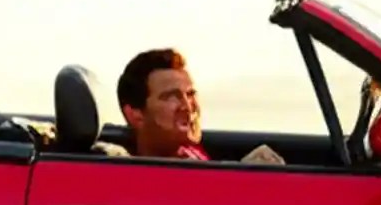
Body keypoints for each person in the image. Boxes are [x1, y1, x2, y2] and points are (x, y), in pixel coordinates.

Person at [116, 48, 284, 164]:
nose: (188, 107)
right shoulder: (136, 180)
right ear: (135, 115)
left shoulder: (191, 156)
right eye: (171, 97)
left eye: (190, 95)